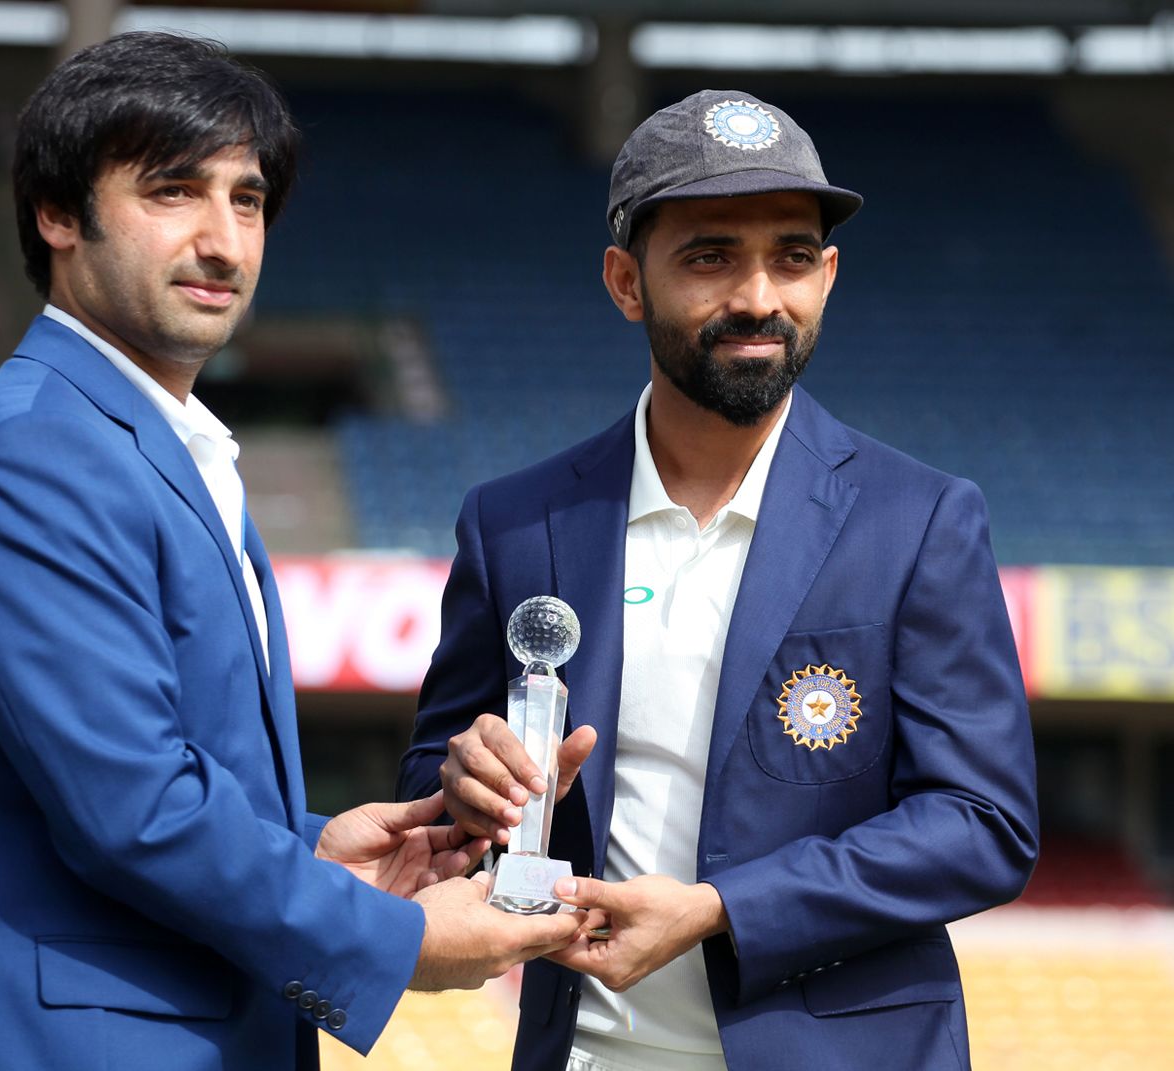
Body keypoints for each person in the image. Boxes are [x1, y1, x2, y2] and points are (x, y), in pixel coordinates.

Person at [0, 31, 581, 1071]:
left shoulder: (159, 440)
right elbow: (134, 809)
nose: (224, 241)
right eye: (172, 193)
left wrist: (312, 852)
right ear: (56, 214)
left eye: (245, 200)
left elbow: (160, 777)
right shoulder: (28, 456)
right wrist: (399, 938)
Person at [398, 90, 1038, 1071]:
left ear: (826, 276)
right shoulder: (515, 522)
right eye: (708, 256)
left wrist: (718, 911)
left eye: (789, 256)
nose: (755, 297)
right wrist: (469, 787)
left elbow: (982, 824)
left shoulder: (918, 520)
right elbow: (437, 807)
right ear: (624, 281)